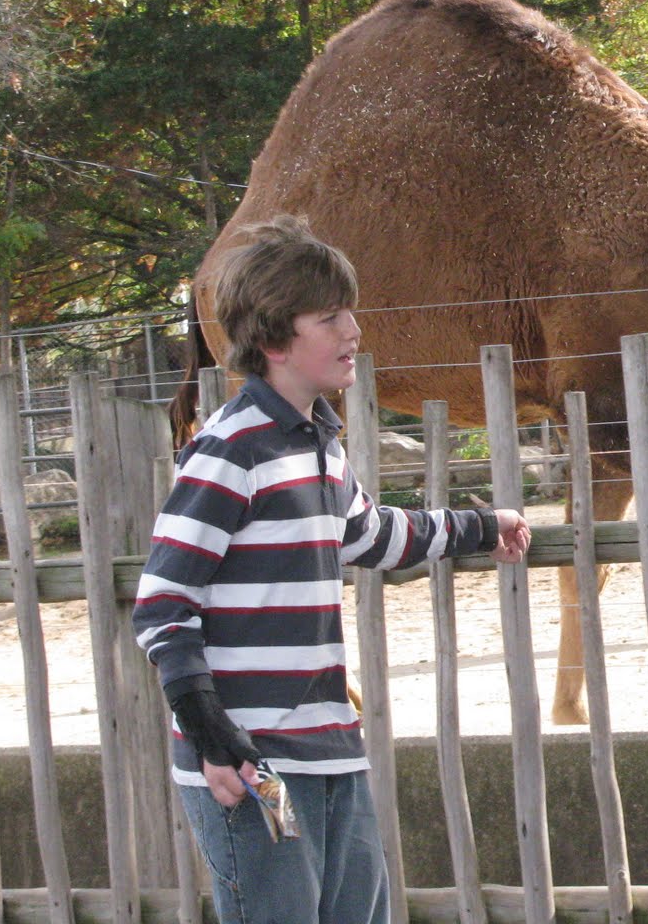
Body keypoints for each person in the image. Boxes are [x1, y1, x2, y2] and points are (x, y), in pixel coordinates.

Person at [132, 214, 531, 924]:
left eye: (349, 312)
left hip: (331, 749)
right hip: (252, 762)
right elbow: (163, 603)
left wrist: (477, 527)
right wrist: (212, 736)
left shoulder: (318, 442)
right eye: (330, 317)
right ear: (276, 338)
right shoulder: (230, 451)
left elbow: (369, 533)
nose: (353, 331)